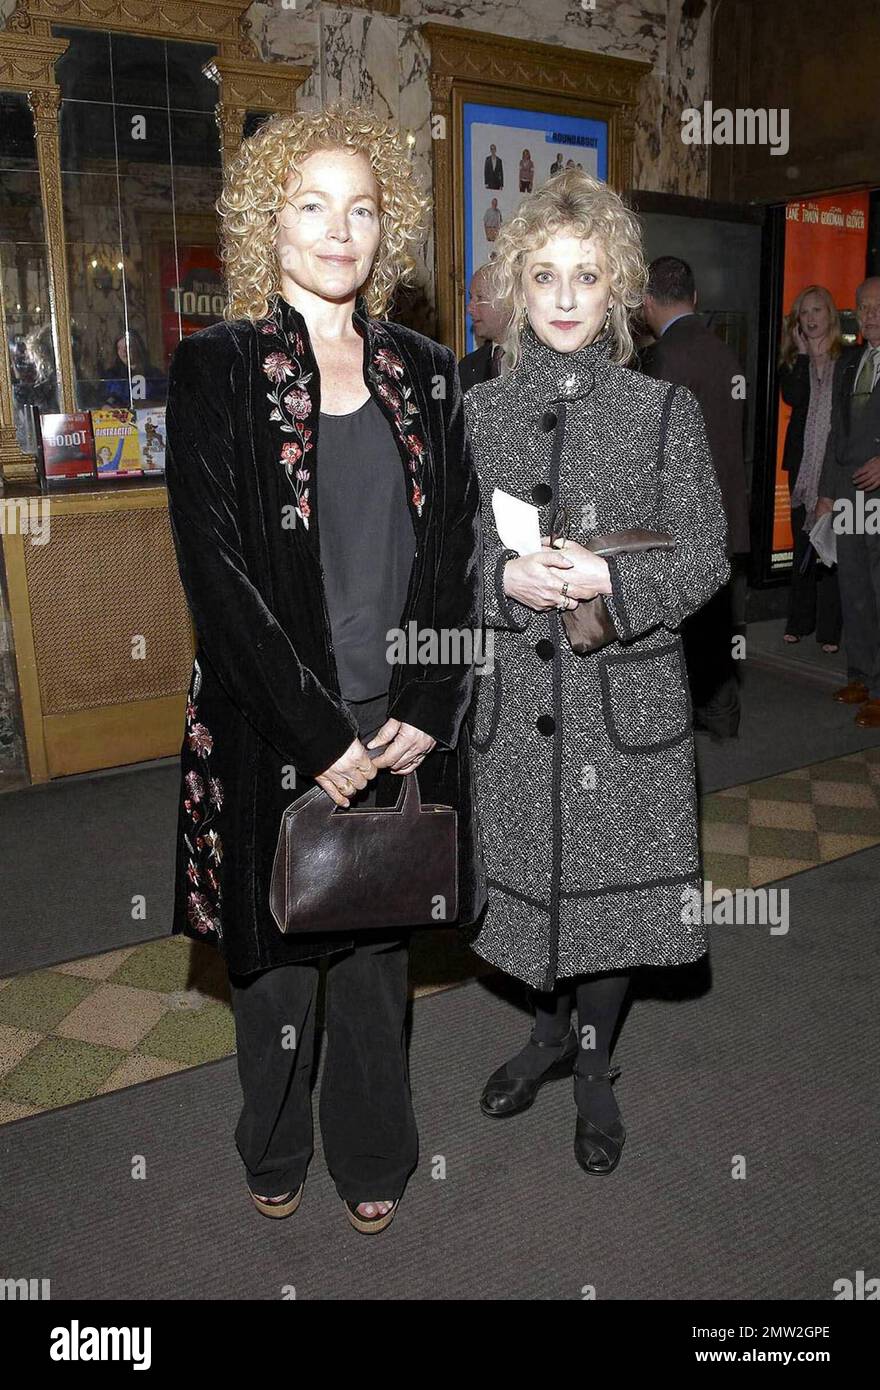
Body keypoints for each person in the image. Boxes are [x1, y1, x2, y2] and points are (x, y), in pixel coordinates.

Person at [164, 102, 485, 1235]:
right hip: (271, 727)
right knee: (275, 973)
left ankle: (376, 1154)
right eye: (311, 205)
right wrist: (319, 738)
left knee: (376, 967)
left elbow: (458, 553)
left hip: (395, 722)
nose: (339, 230)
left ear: (384, 229)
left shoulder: (426, 369)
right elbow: (217, 577)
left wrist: (431, 700)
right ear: (270, 221)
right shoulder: (215, 367)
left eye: (361, 208)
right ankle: (275, 1143)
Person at [464, 169, 729, 1176]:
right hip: (517, 702)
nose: (565, 297)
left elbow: (706, 555)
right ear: (517, 286)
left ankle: (591, 1065)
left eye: (586, 275)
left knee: (609, 906)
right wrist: (502, 576)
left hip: (623, 704)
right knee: (535, 889)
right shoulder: (478, 411)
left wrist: (610, 578)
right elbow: (442, 553)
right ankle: (543, 1037)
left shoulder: (663, 410)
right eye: (545, 276)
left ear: (617, 283)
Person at [642, 256, 749, 739]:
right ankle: (722, 716)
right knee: (714, 624)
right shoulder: (724, 352)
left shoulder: (663, 360)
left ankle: (687, 720)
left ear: (647, 302)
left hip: (680, 518)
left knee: (682, 630)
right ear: (695, 297)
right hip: (727, 509)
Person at [816, 277, 880, 724]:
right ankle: (862, 673)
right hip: (848, 493)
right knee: (853, 585)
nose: (870, 314)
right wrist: (826, 493)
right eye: (864, 306)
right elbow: (834, 434)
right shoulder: (850, 362)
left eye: (878, 306)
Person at [778, 285, 843, 652]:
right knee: (802, 542)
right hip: (802, 467)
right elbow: (794, 397)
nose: (811, 318)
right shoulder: (793, 362)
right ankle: (799, 620)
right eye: (804, 312)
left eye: (817, 310)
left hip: (835, 465)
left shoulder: (847, 358)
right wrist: (802, 356)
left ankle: (830, 630)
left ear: (830, 315)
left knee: (832, 547)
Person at [459, 262, 513, 392]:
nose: (469, 308)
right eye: (471, 298)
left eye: (480, 298)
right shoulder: (467, 367)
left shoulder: (541, 361)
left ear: (509, 301)